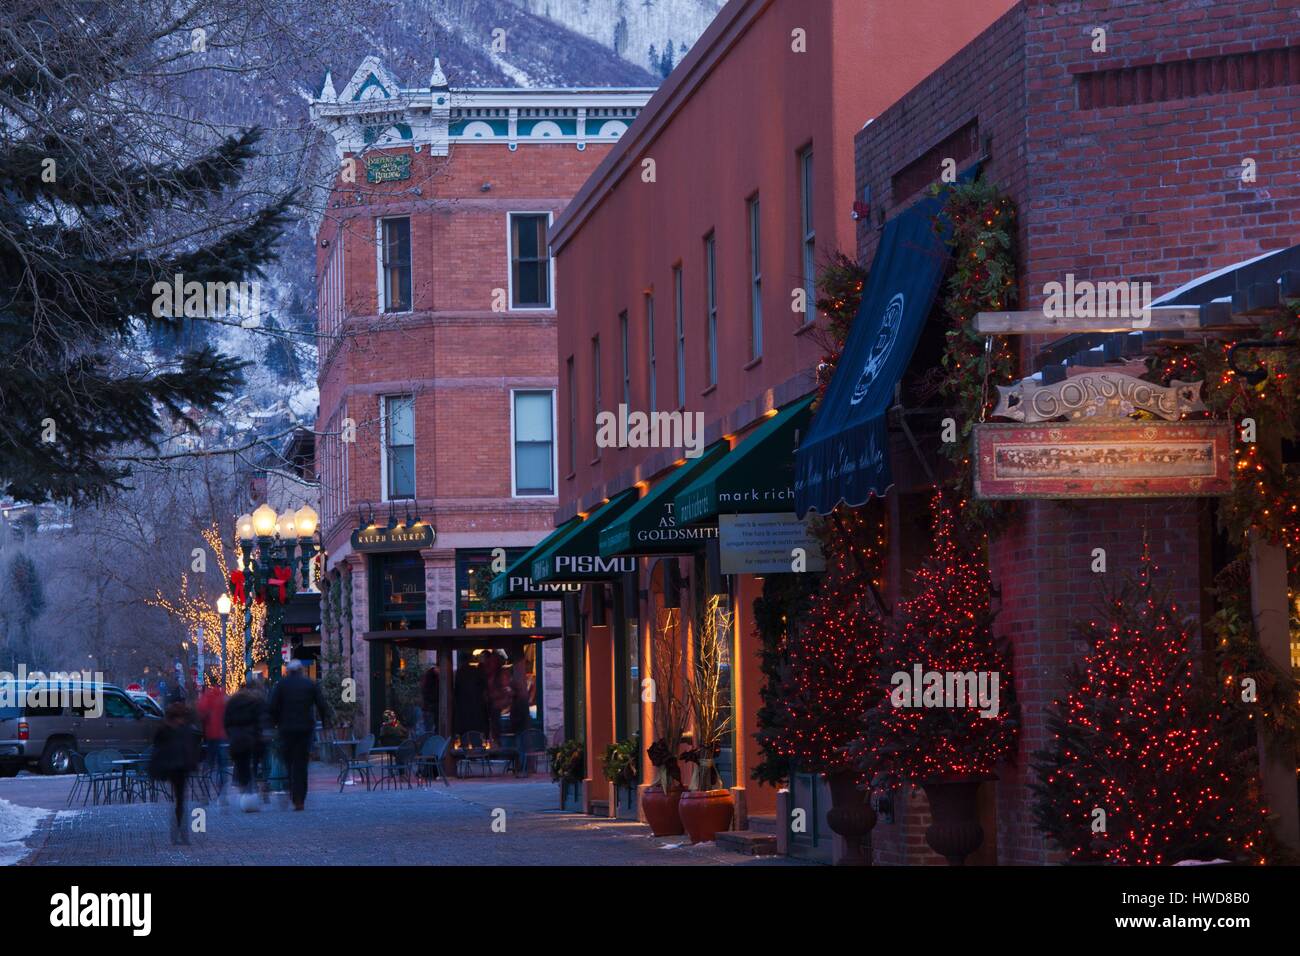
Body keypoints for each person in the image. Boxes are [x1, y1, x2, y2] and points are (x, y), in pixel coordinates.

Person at [267, 660, 331, 811]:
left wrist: (274, 723)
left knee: (289, 762)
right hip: (305, 729)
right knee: (301, 764)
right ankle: (300, 798)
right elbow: (322, 704)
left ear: (288, 671)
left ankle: (292, 791)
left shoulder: (282, 685)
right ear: (301, 670)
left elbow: (272, 707)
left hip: (287, 729)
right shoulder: (309, 684)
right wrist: (325, 723)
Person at [149, 701, 201, 845]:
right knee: (179, 800)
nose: (182, 720)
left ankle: (180, 833)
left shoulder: (167, 729)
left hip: (177, 768)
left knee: (179, 800)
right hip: (176, 768)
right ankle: (180, 833)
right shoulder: (180, 730)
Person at [224, 676, 268, 810]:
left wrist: (230, 734)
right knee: (253, 766)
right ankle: (252, 795)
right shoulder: (257, 702)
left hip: (236, 739)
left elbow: (226, 721)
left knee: (241, 766)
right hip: (252, 739)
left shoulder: (232, 702)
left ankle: (245, 793)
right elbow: (262, 720)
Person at [196, 681, 229, 801]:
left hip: (210, 735)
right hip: (221, 734)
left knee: (209, 763)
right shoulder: (222, 697)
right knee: (222, 765)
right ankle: (221, 792)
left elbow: (201, 713)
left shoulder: (206, 697)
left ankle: (205, 790)